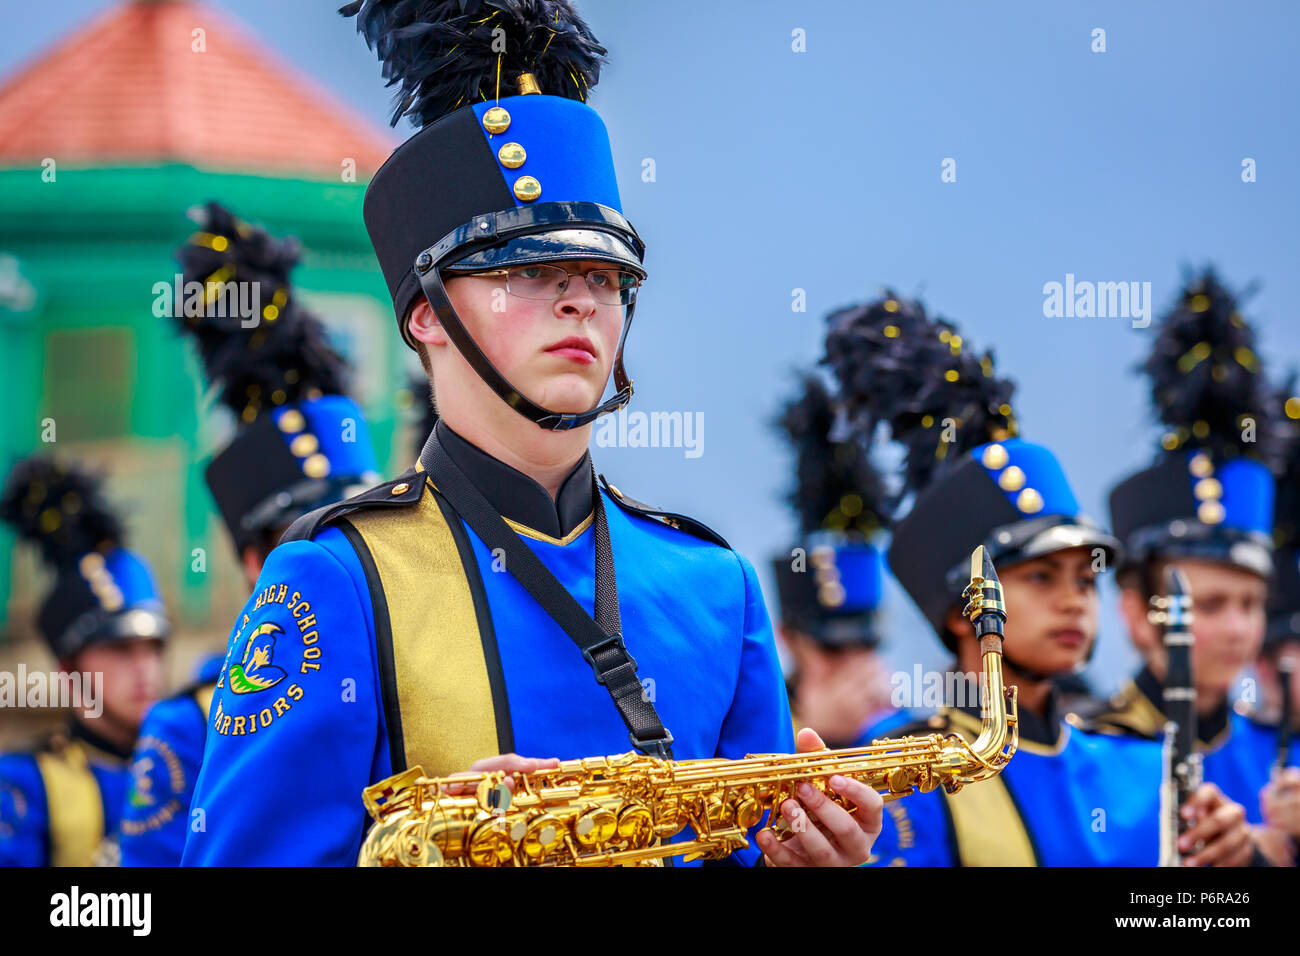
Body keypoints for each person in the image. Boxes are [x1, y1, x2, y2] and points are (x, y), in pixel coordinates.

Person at [182, 0, 880, 867]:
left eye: (602, 274)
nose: (580, 299)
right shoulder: (333, 579)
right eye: (528, 269)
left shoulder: (716, 585)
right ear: (426, 314)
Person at [822, 295, 1259, 865]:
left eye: (1084, 580)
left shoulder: (1143, 766)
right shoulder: (903, 768)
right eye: (1041, 578)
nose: (1074, 602)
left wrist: (1248, 862)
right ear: (961, 612)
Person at [118, 203, 382, 866]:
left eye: (357, 527)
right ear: (250, 559)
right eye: (310, 538)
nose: (342, 556)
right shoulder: (188, 727)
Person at [1094, 271, 1300, 862]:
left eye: (1250, 604)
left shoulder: (1279, 751)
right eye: (1207, 605)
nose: (1238, 629)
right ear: (1134, 611)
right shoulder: (1086, 750)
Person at [0, 457, 168, 866]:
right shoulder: (23, 787)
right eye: (120, 649)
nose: (145, 667)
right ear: (67, 669)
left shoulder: (193, 762)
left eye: (153, 646)